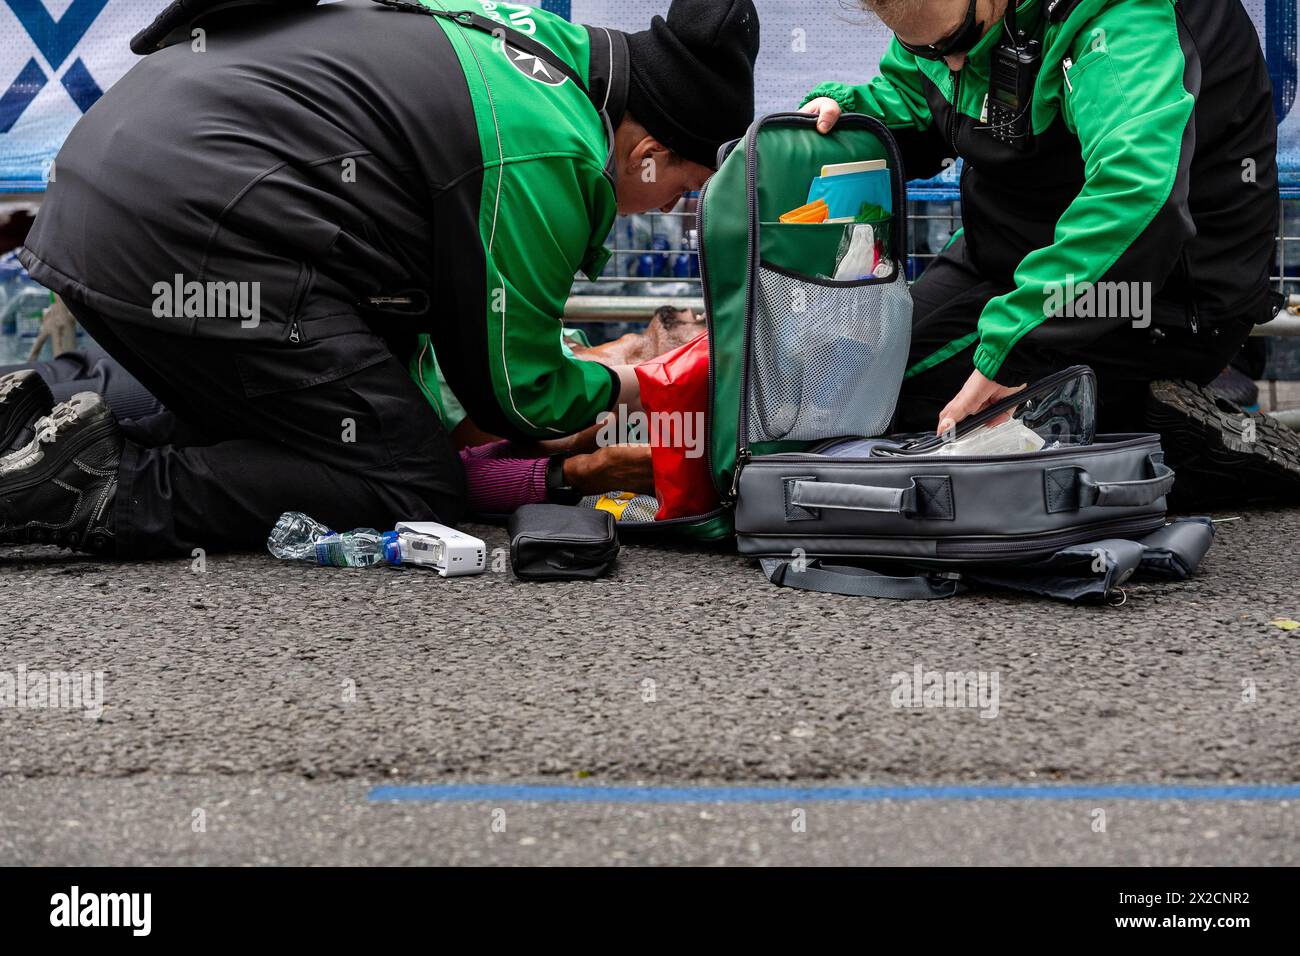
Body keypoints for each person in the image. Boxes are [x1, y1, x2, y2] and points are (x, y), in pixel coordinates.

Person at [0, 0, 759, 554]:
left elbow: (399, 336)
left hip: (106, 199)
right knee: (411, 483)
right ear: (648, 150)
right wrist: (645, 384)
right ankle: (102, 488)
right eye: (682, 187)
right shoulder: (550, 150)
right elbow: (518, 392)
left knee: (283, 429)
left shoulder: (522, 46)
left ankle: (30, 435)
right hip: (194, 221)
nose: (668, 206)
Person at [802, 0, 1300, 500]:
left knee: (956, 429)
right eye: (921, 47)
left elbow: (1135, 196)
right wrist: (851, 115)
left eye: (955, 43)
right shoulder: (949, 18)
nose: (949, 63)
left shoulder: (1122, 18)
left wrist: (1015, 345)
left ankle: (1178, 443)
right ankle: (1115, 414)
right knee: (862, 391)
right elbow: (914, 95)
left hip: (1157, 295)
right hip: (1012, 253)